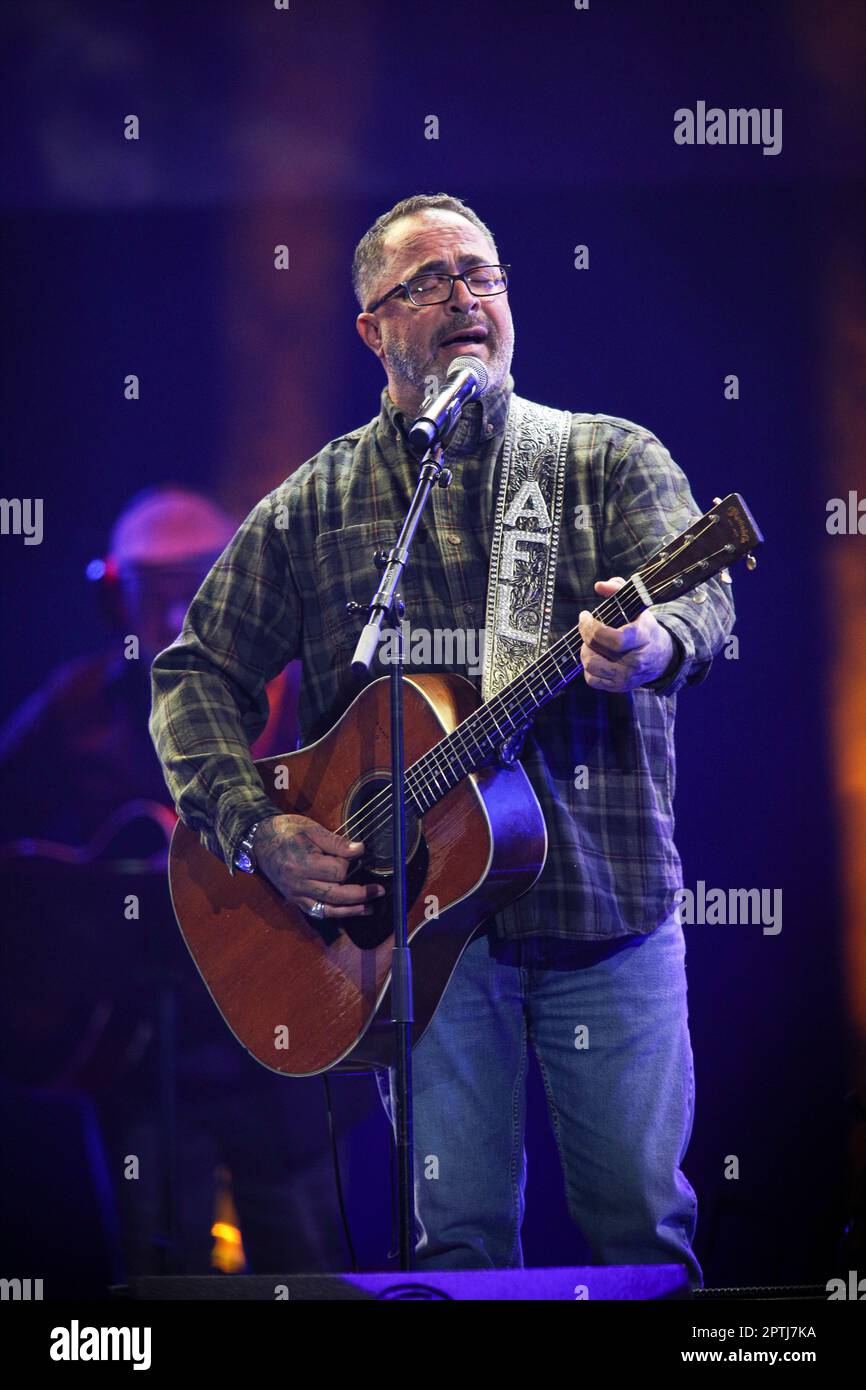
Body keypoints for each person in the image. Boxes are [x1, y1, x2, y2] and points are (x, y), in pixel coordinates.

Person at [149, 195, 736, 1287]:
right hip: (414, 949)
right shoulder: (312, 505)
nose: (465, 297)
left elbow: (701, 608)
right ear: (371, 326)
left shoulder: (603, 459)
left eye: (484, 274)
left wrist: (651, 641)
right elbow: (192, 674)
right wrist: (258, 825)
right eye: (427, 281)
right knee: (454, 1256)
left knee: (641, 1241)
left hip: (603, 920)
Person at [0, 486, 349, 1278]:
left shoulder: (309, 700)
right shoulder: (82, 706)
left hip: (281, 1046)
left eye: (194, 589)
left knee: (306, 1263)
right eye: (150, 594)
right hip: (136, 1052)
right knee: (161, 1274)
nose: (171, 616)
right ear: (113, 596)